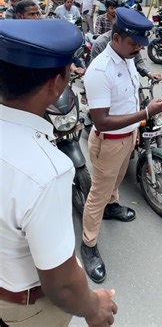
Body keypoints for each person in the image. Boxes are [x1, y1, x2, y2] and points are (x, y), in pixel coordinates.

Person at [0, 19, 118, 327]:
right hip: (24, 308)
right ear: (56, 83)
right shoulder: (46, 171)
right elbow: (61, 284)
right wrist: (96, 307)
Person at [81, 8, 162, 283]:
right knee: (98, 192)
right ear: (117, 36)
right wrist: (147, 113)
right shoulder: (99, 70)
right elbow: (102, 121)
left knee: (117, 182)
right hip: (109, 141)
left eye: (140, 45)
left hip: (129, 136)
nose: (138, 49)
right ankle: (88, 245)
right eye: (134, 43)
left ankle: (113, 207)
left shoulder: (127, 57)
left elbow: (130, 95)